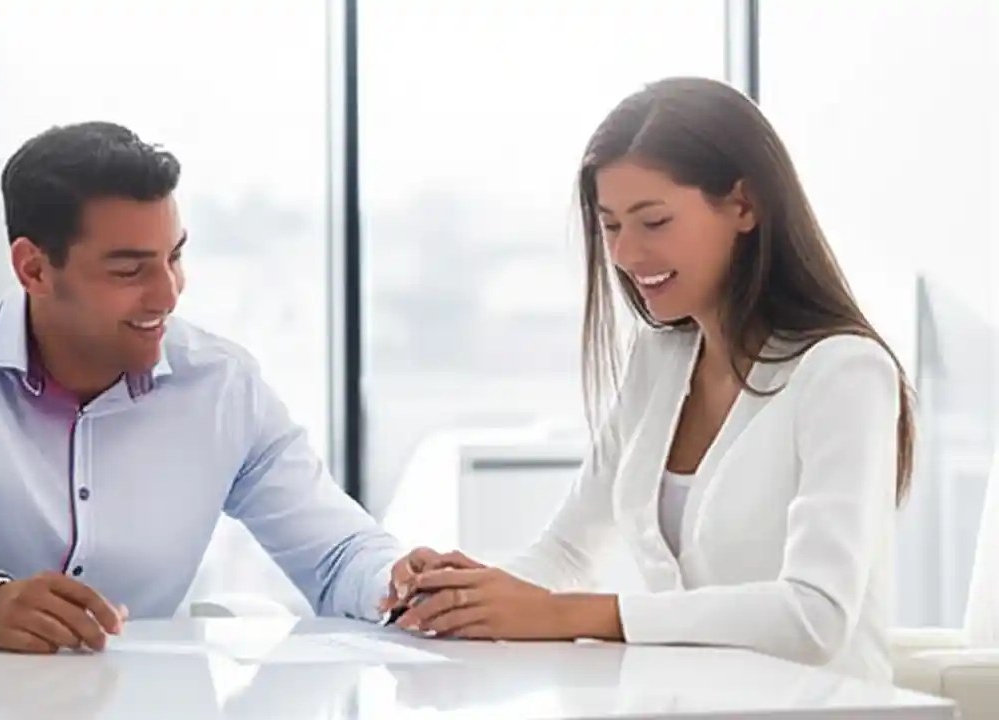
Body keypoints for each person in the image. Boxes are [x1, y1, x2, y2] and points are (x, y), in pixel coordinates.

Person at [381, 77, 914, 683]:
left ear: (744, 206)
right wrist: (460, 592)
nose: (626, 256)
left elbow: (814, 617)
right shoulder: (660, 361)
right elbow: (567, 553)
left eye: (653, 221)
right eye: (610, 226)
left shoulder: (844, 372)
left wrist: (575, 615)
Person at [0, 121, 409, 653]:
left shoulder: (222, 386)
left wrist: (409, 587)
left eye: (173, 257)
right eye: (129, 271)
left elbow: (338, 555)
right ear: (34, 269)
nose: (168, 294)